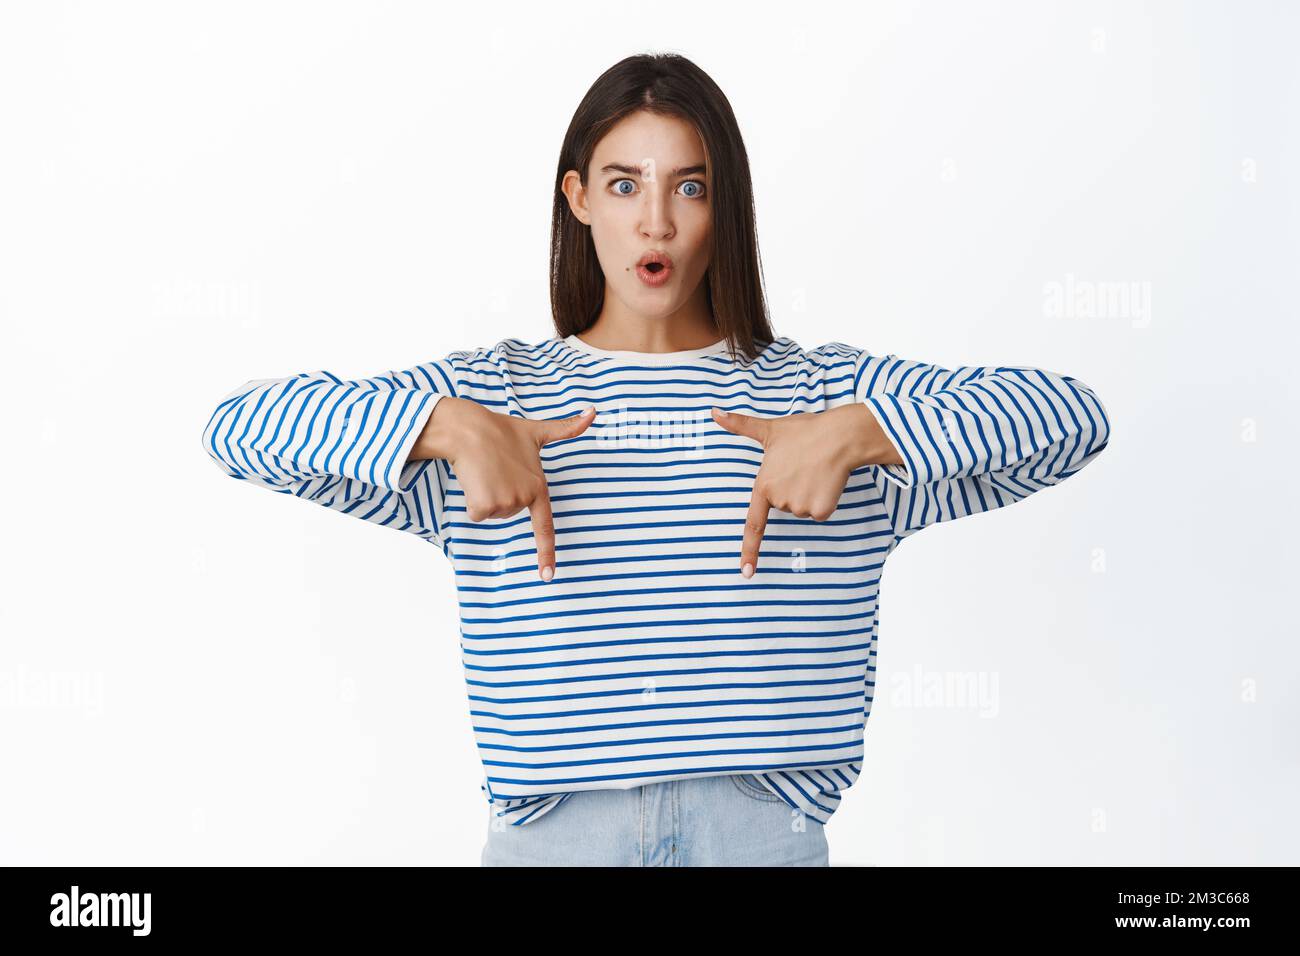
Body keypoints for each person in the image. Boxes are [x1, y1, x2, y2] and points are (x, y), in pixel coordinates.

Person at [200, 52, 1110, 867]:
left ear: (726, 205)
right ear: (580, 199)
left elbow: (1074, 418)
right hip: (553, 841)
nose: (657, 224)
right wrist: (441, 425)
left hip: (763, 838)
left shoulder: (822, 397)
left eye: (690, 186)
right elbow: (237, 430)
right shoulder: (499, 399)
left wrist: (862, 431)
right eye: (626, 185)